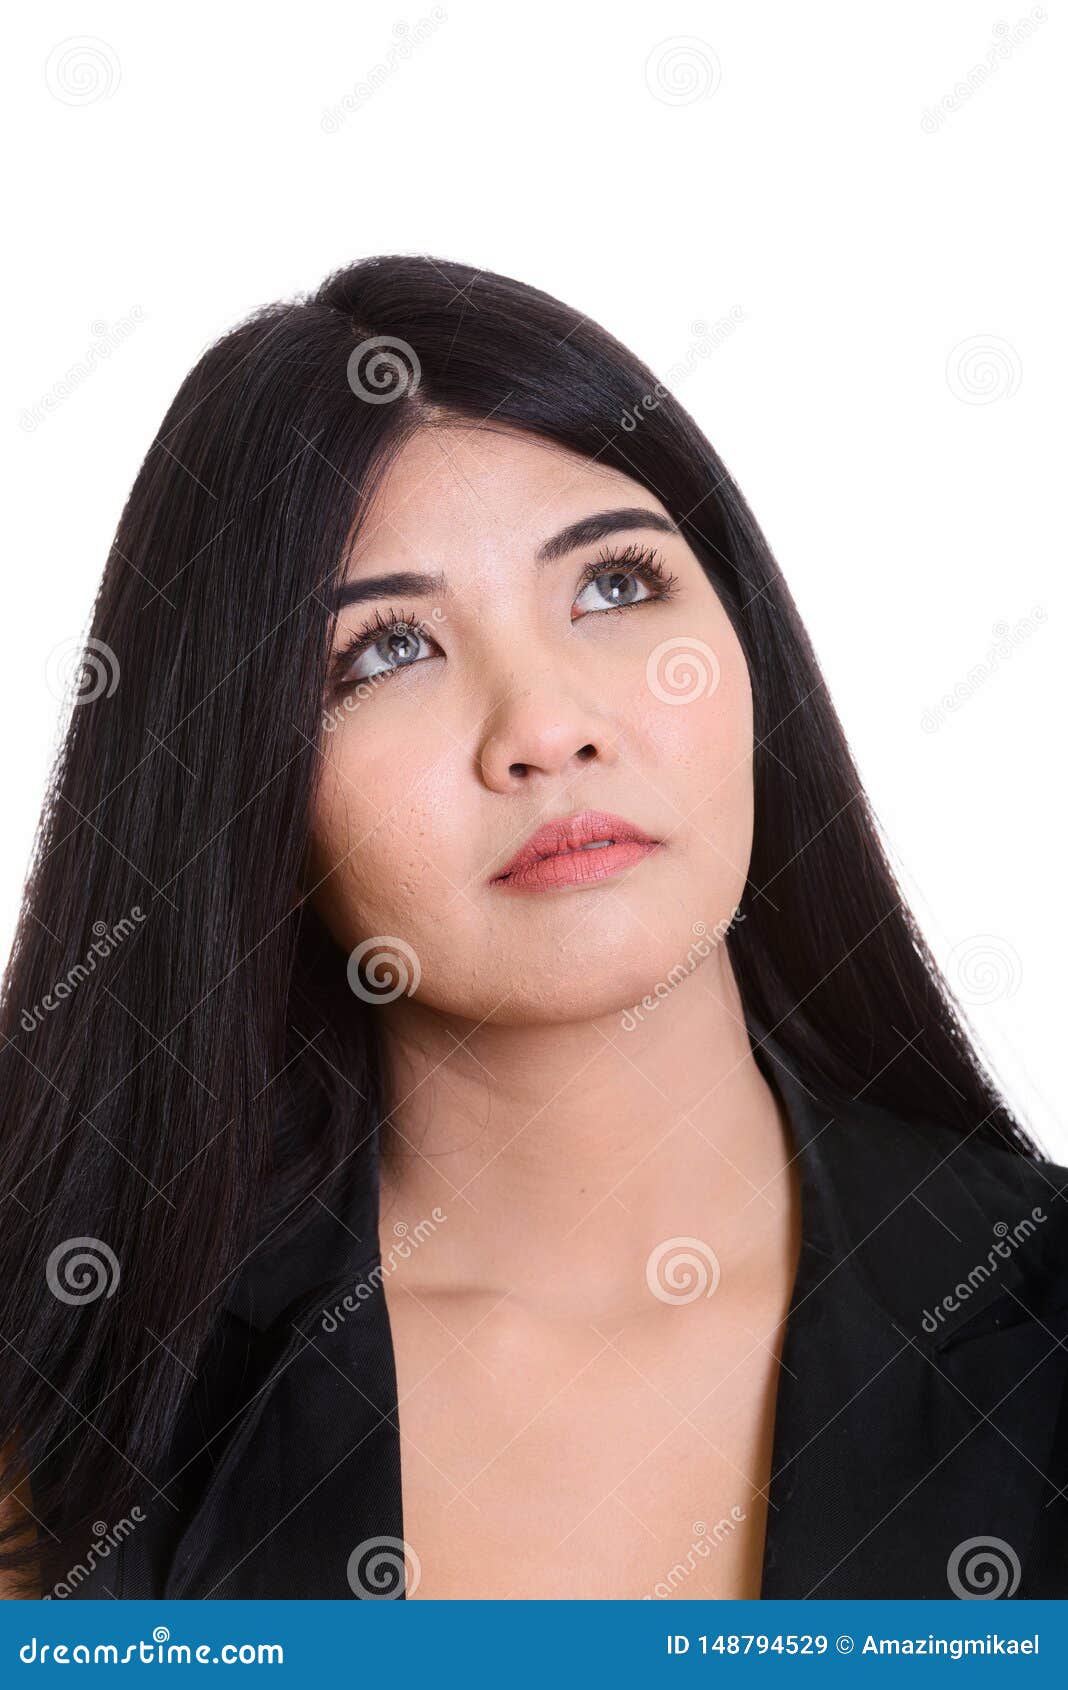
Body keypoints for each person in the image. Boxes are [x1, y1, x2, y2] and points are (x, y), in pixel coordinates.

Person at [2, 257, 1065, 1600]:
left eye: (616, 587)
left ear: (749, 655)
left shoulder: (1031, 1317)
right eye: (386, 649)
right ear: (243, 789)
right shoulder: (66, 1426)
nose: (546, 725)